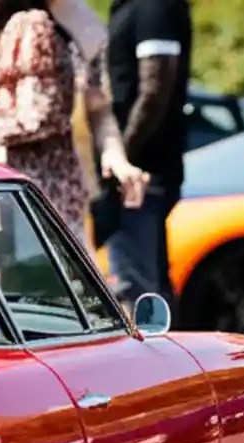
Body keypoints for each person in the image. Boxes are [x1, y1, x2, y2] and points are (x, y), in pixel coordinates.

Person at [0, 0, 148, 244]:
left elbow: (93, 107)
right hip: (19, 190)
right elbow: (0, 103)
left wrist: (115, 157)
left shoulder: (74, 24)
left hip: (41, 190)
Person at [100, 0, 192, 316]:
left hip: (140, 176)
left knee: (137, 296)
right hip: (138, 172)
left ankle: (153, 364)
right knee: (149, 292)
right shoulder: (133, 8)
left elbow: (155, 87)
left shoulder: (154, 7)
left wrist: (120, 158)